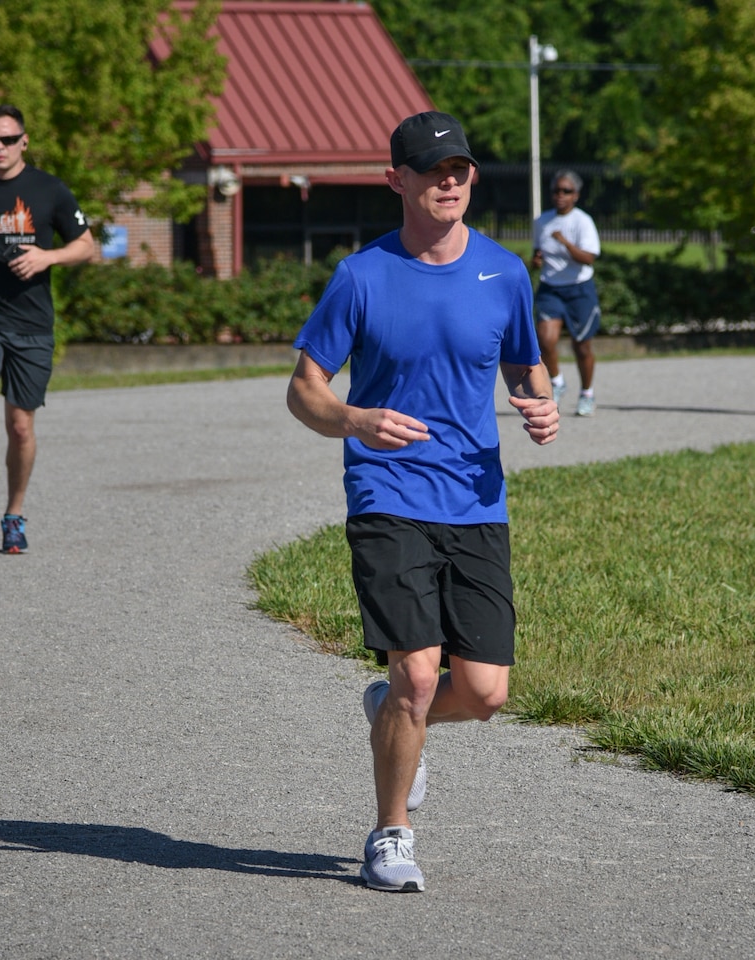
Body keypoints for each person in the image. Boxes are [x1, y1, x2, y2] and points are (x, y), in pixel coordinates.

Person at [286, 111, 559, 893]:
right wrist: (354, 420)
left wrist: (539, 406)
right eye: (433, 171)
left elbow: (522, 370)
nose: (449, 182)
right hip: (388, 492)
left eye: (460, 170)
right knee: (417, 674)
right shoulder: (361, 277)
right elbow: (304, 391)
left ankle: (394, 713)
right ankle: (390, 833)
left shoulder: (504, 272)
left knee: (482, 693)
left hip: (475, 500)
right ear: (396, 180)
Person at [0, 104, 95, 553]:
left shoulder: (49, 190)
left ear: (24, 141)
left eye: (8, 139)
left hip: (30, 321)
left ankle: (14, 514)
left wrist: (47, 257)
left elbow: (86, 246)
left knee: (20, 425)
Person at [530, 170, 602, 417]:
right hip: (551, 288)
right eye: (556, 191)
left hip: (579, 289)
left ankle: (587, 394)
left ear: (576, 195)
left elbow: (589, 258)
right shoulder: (542, 221)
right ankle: (557, 381)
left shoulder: (582, 222)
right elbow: (537, 253)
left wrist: (565, 243)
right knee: (545, 339)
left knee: (581, 346)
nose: (560, 195)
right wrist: (536, 261)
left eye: (566, 191)